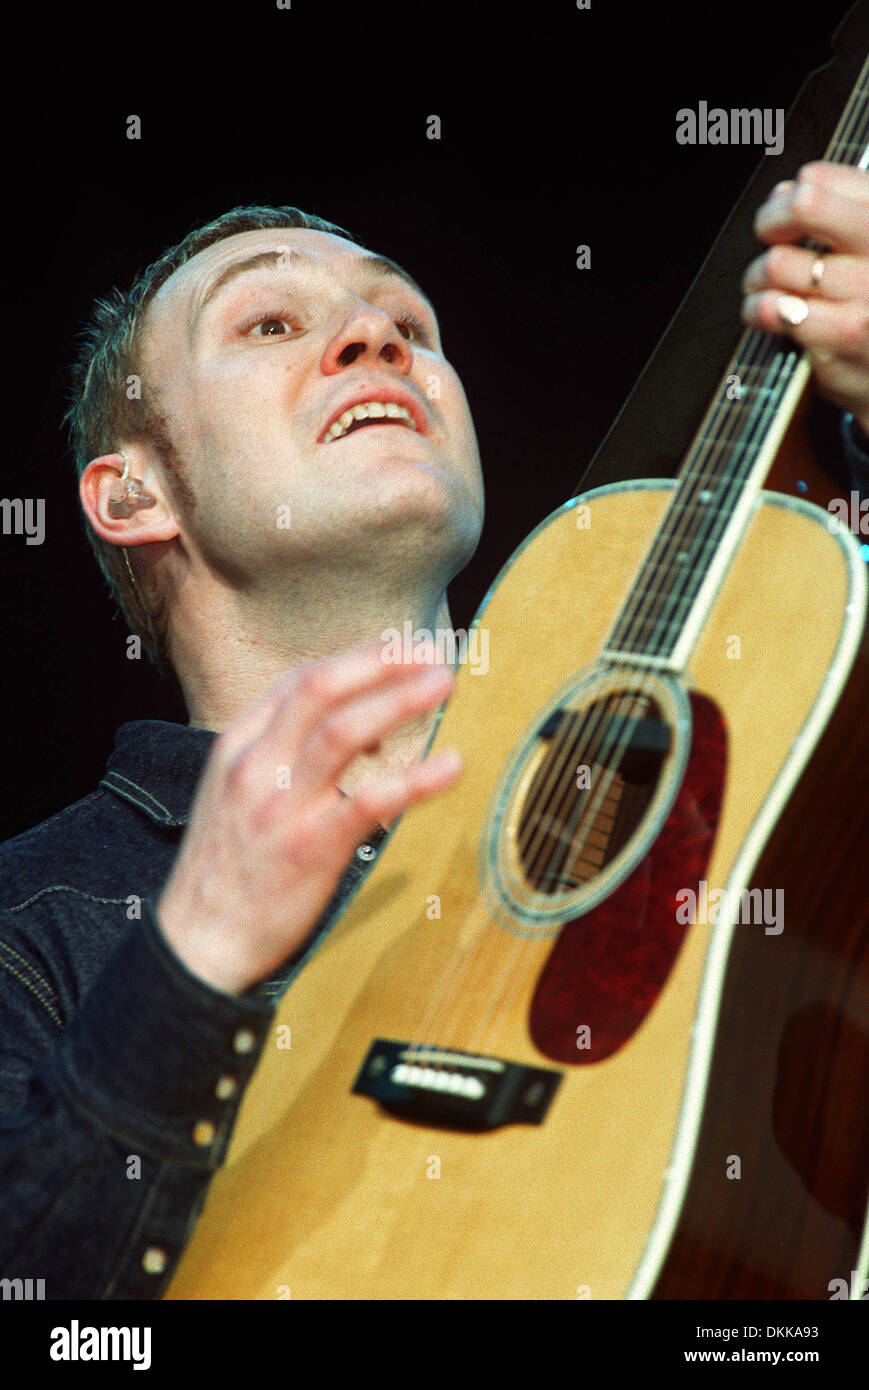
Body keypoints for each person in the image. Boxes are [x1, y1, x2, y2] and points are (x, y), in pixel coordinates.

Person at [1, 163, 868, 1301]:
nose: (374, 334)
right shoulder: (37, 910)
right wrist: (190, 961)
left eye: (408, 318)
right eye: (270, 321)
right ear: (132, 495)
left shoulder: (722, 764)